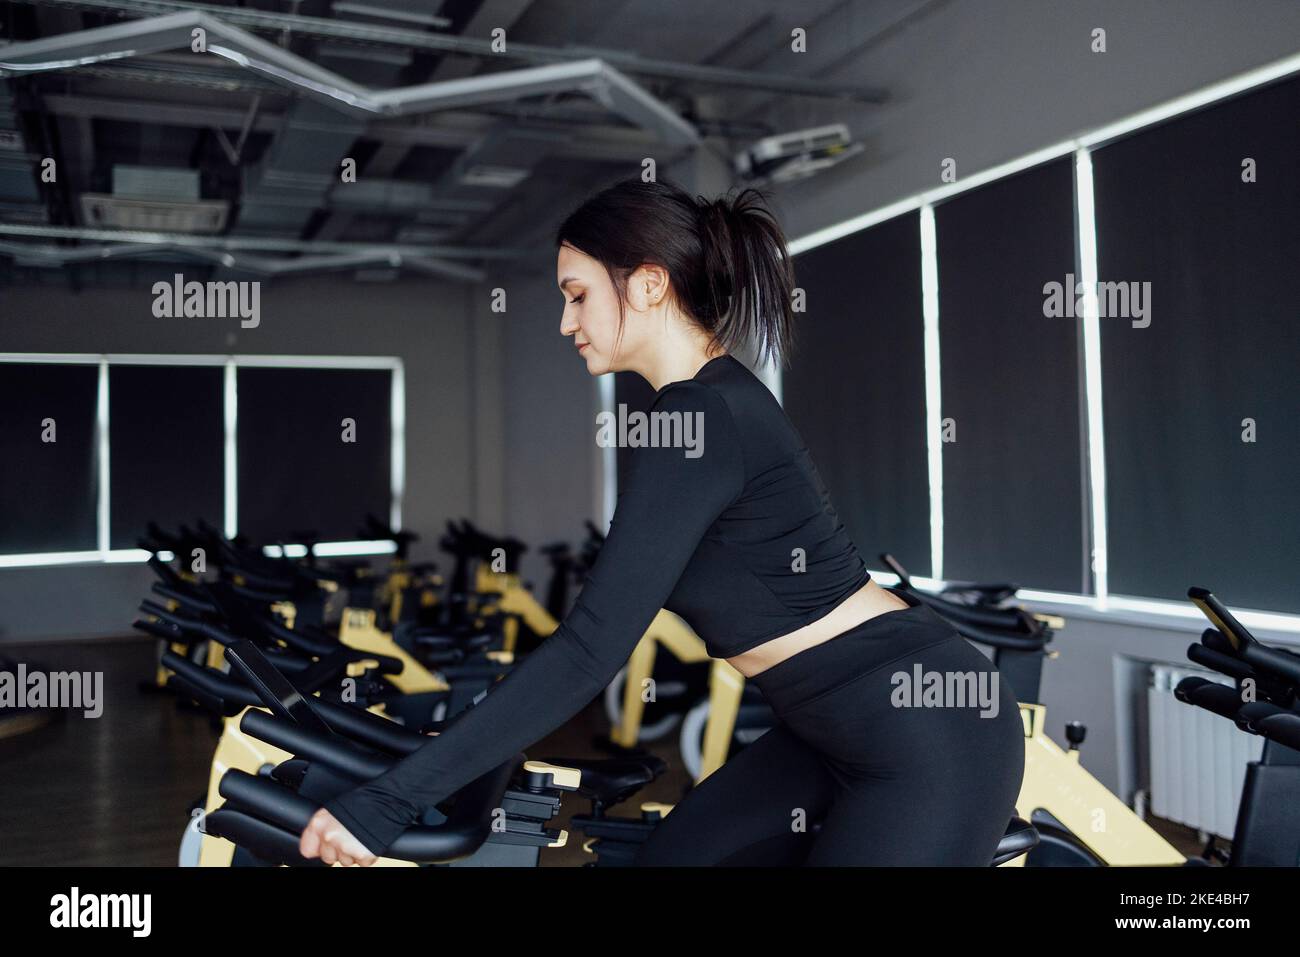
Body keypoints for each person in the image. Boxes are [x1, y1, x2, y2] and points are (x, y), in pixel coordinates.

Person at [299, 177, 1024, 866]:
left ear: (647, 283)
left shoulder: (701, 415)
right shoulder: (698, 409)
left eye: (578, 295)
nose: (566, 321)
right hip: (827, 727)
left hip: (924, 738)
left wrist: (388, 801)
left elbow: (589, 648)